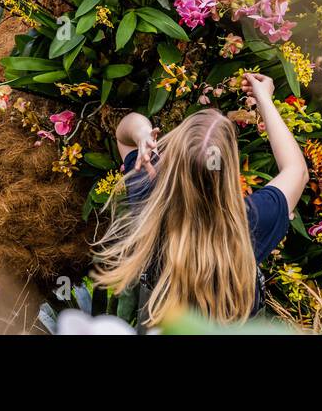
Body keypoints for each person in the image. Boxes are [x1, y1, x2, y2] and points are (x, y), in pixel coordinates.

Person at [92, 72, 309, 327]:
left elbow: (123, 133)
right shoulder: (253, 220)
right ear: (229, 170)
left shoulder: (148, 196)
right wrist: (264, 100)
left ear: (174, 157)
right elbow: (296, 170)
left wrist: (143, 136)